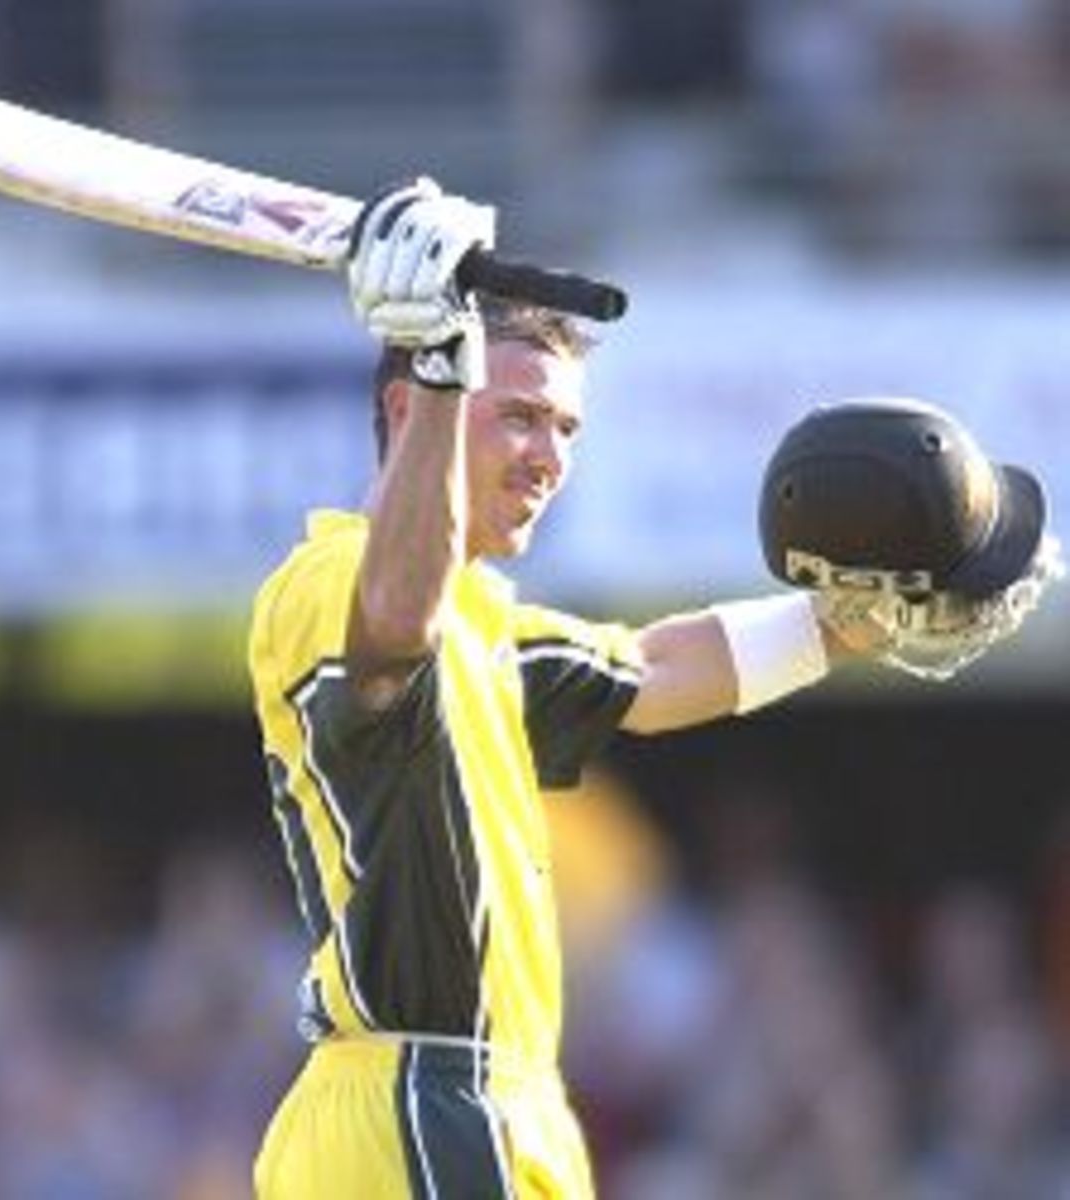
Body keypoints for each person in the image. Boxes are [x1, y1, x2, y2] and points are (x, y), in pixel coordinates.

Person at [244, 178, 1049, 1198]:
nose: (548, 457)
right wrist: (446, 359)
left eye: (568, 431)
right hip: (421, 1108)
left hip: (468, 1108)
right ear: (408, 406)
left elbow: (655, 671)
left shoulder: (484, 629)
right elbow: (396, 617)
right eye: (523, 417)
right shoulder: (333, 582)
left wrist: (845, 625)